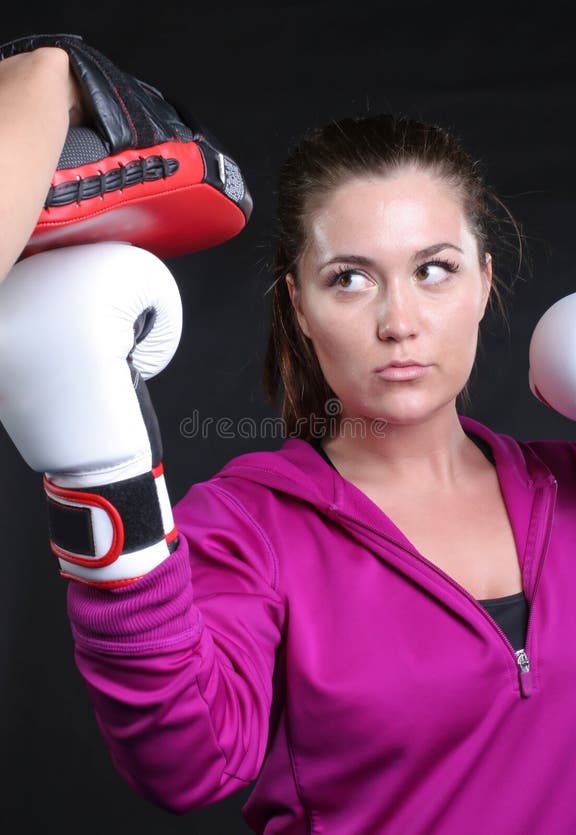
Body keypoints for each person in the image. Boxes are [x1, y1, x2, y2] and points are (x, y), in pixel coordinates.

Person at [1, 42, 576, 835]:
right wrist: (104, 485)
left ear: (484, 279)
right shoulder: (249, 526)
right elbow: (188, 761)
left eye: (434, 269)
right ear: (300, 307)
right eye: (350, 277)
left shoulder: (566, 485)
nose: (399, 321)